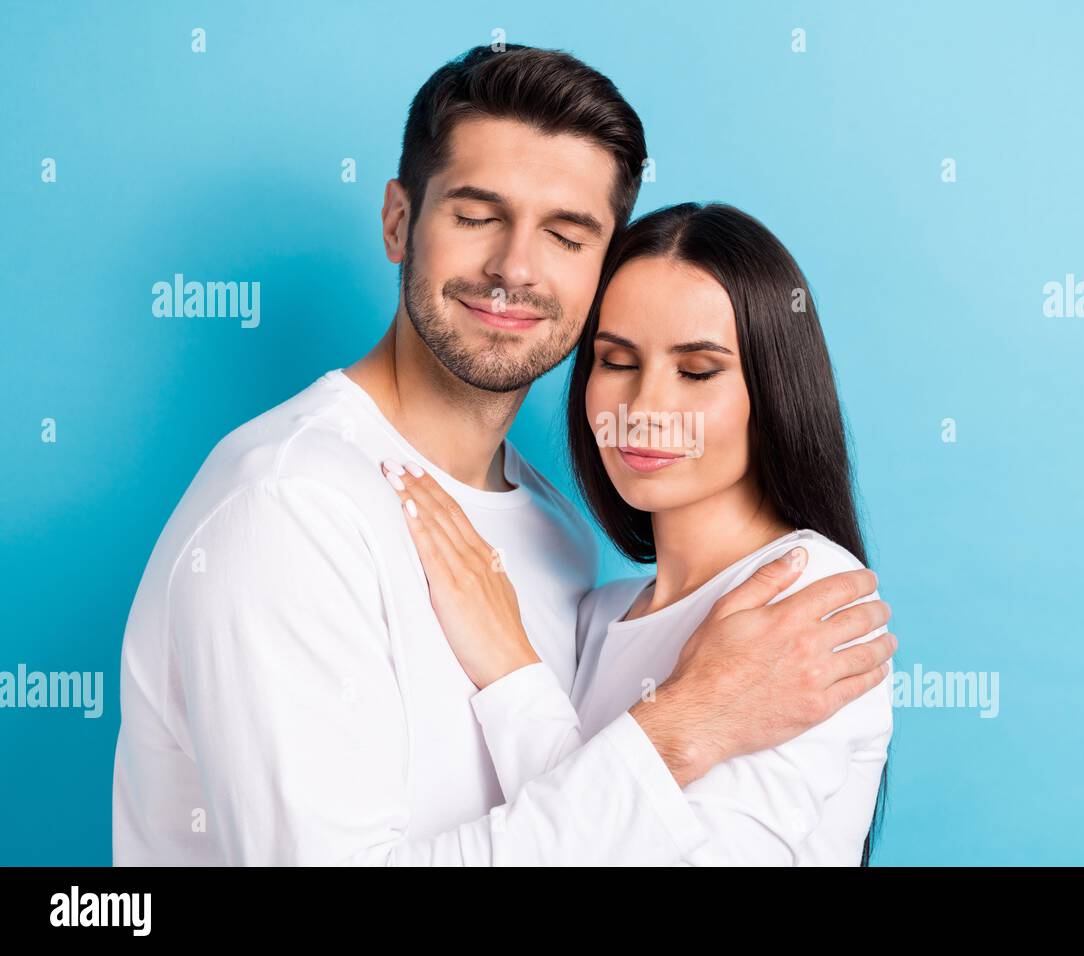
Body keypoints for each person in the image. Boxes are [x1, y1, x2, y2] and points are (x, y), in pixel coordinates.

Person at [112, 44, 896, 865]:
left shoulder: (561, 540)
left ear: (602, 269)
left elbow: (580, 815)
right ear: (397, 220)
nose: (514, 267)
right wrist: (689, 722)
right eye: (477, 215)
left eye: (566, 234)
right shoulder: (290, 508)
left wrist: (529, 678)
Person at [384, 202, 893, 865]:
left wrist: (511, 671)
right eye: (618, 361)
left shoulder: (811, 594)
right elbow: (567, 825)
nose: (645, 409)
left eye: (697, 371)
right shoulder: (596, 616)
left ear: (774, 389)